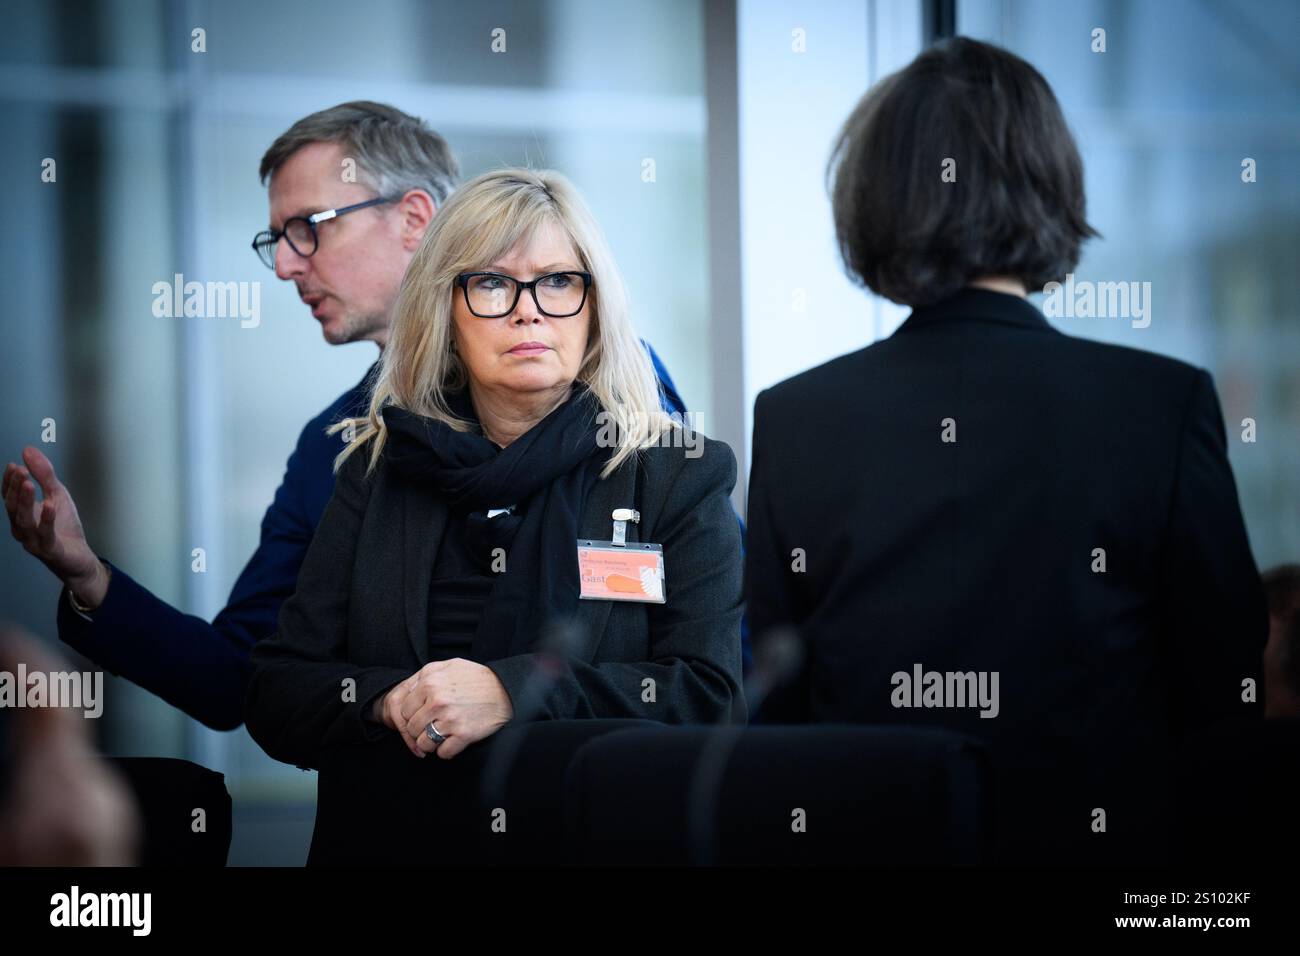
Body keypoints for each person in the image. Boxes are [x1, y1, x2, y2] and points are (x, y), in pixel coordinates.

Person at [2, 101, 695, 731]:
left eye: (308, 229)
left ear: (415, 219)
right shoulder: (338, 447)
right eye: (277, 238)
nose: (283, 267)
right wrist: (90, 578)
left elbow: (701, 660)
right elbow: (239, 680)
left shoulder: (609, 392)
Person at [744, 38, 1266, 863]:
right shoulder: (1160, 404)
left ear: (873, 197)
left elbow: (777, 705)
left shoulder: (795, 415)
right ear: (1049, 183)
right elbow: (1225, 688)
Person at [245, 168, 746, 771]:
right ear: (445, 313)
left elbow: (710, 696)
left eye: (558, 282)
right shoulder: (378, 469)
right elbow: (277, 690)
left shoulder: (675, 475)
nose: (528, 312)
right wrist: (389, 702)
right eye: (490, 284)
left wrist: (514, 692)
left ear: (596, 307)